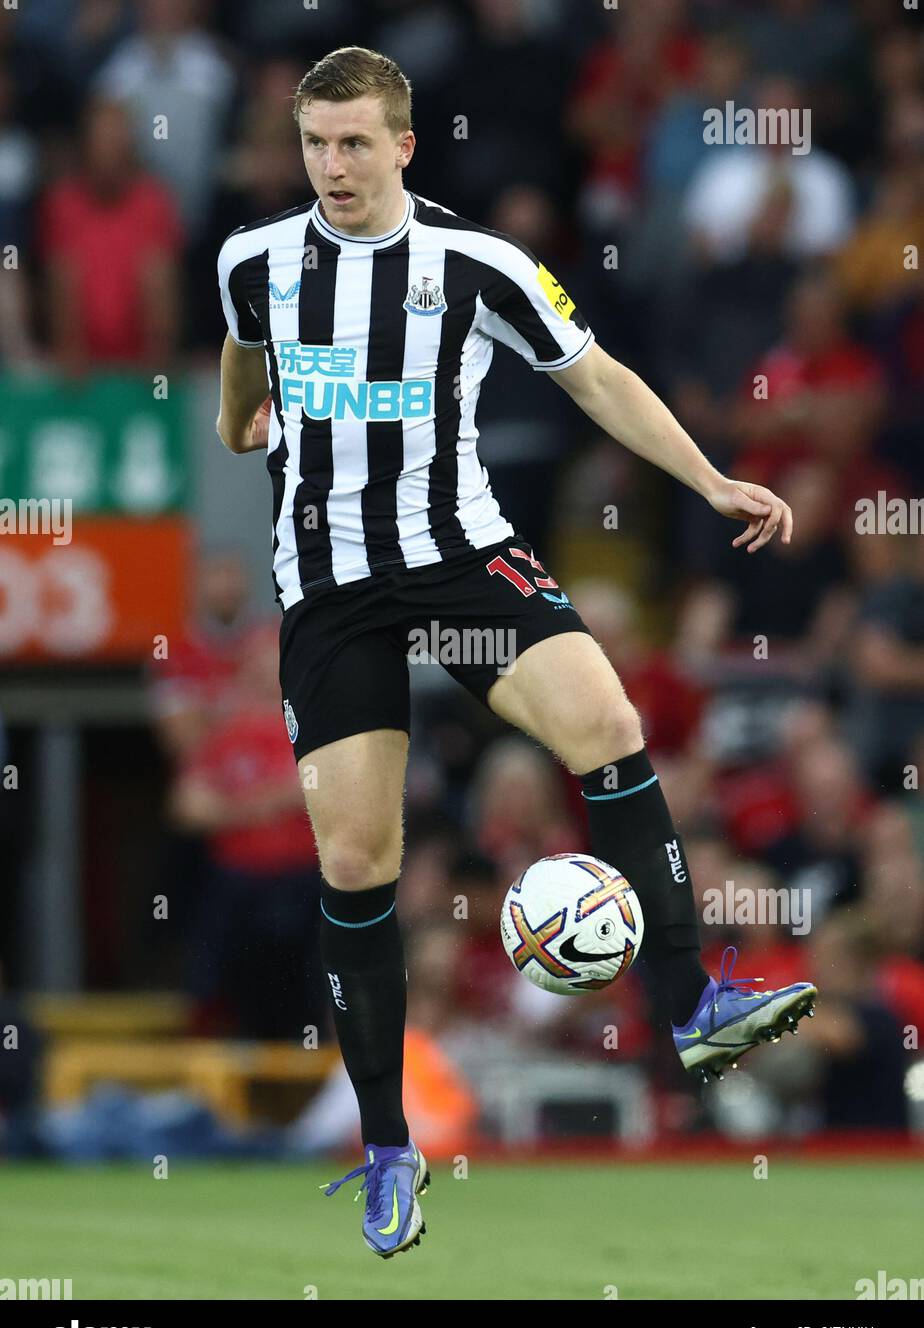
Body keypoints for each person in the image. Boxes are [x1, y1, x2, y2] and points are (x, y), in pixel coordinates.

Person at [215, 46, 817, 1260]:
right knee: (358, 857)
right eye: (314, 143)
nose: (331, 166)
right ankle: (388, 1145)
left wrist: (707, 478)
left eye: (353, 143)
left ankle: (693, 1005)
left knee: (609, 728)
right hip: (330, 591)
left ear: (403, 146)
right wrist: (241, 413)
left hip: (459, 555)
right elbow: (243, 350)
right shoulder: (254, 261)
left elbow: (597, 381)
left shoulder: (475, 264)